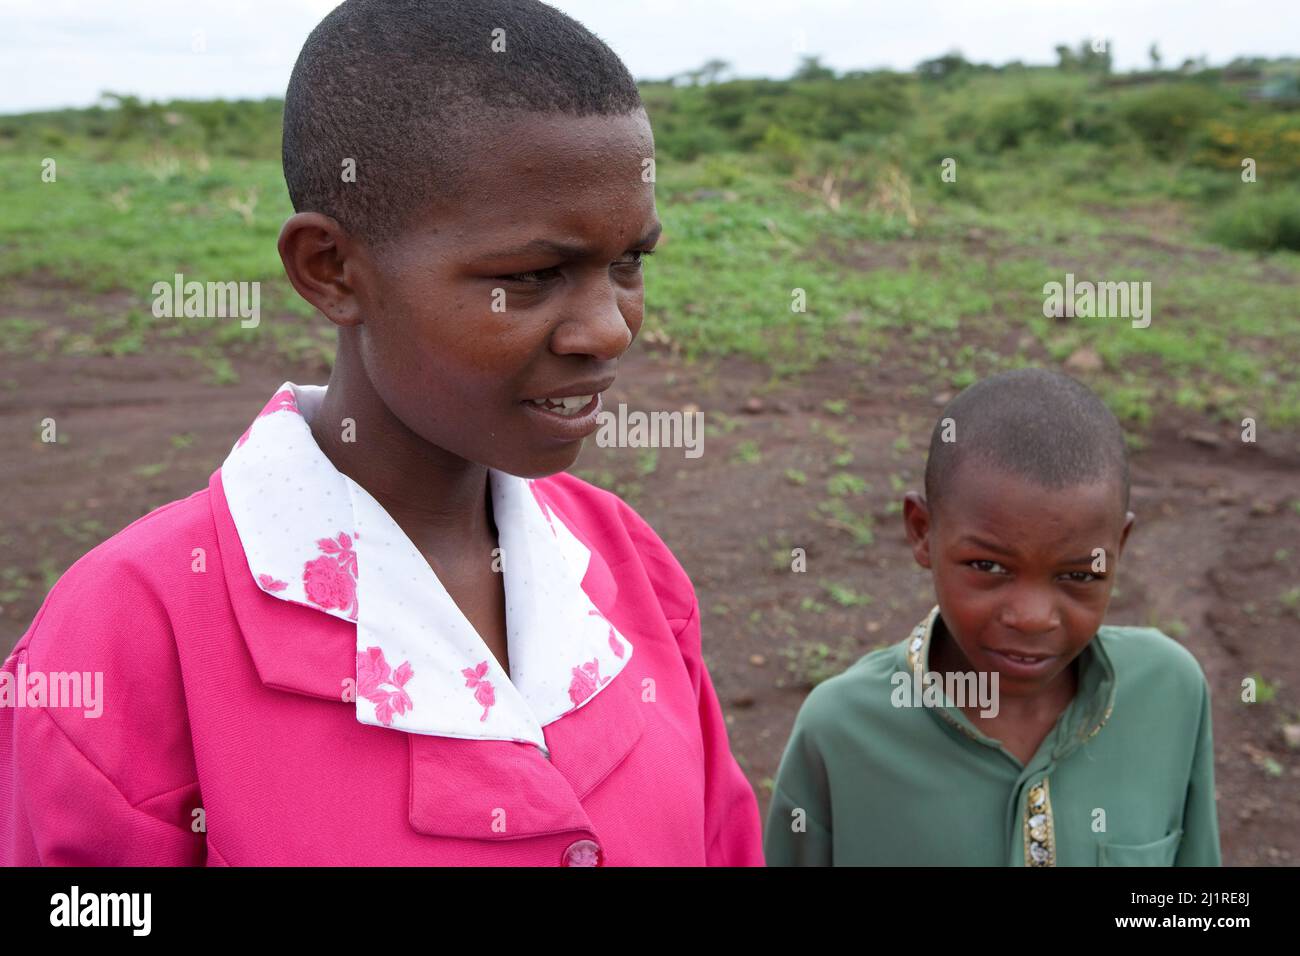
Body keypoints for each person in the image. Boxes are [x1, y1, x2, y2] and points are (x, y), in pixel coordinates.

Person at [0, 0, 763, 867]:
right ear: (331, 270)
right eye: (533, 275)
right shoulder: (131, 640)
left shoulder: (625, 565)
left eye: (628, 263)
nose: (610, 329)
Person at [764, 368, 1220, 866]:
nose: (1031, 618)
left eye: (1079, 576)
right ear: (922, 532)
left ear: (1118, 549)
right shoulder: (842, 732)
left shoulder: (1168, 695)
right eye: (988, 567)